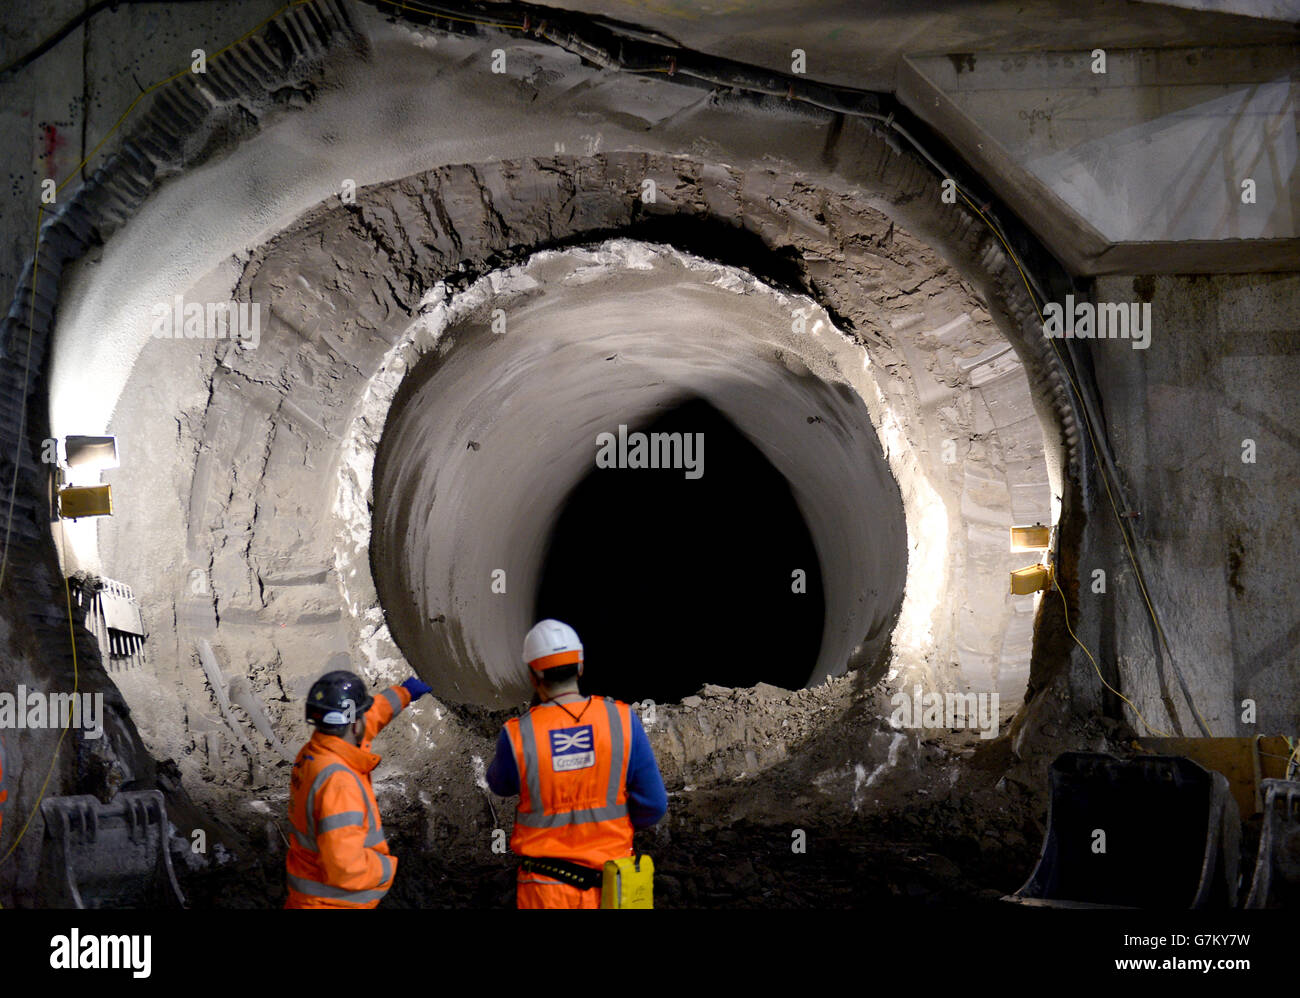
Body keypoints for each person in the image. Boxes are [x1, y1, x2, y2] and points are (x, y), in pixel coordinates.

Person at [487, 619, 667, 909]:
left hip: (545, 892)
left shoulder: (518, 734)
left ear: (533, 676)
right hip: (615, 888)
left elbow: (499, 784)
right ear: (580, 667)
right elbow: (654, 805)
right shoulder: (621, 721)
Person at [285, 668, 432, 908]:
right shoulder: (339, 783)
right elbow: (345, 868)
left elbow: (368, 718)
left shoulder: (316, 752)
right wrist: (386, 868)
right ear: (354, 726)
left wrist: (405, 693)